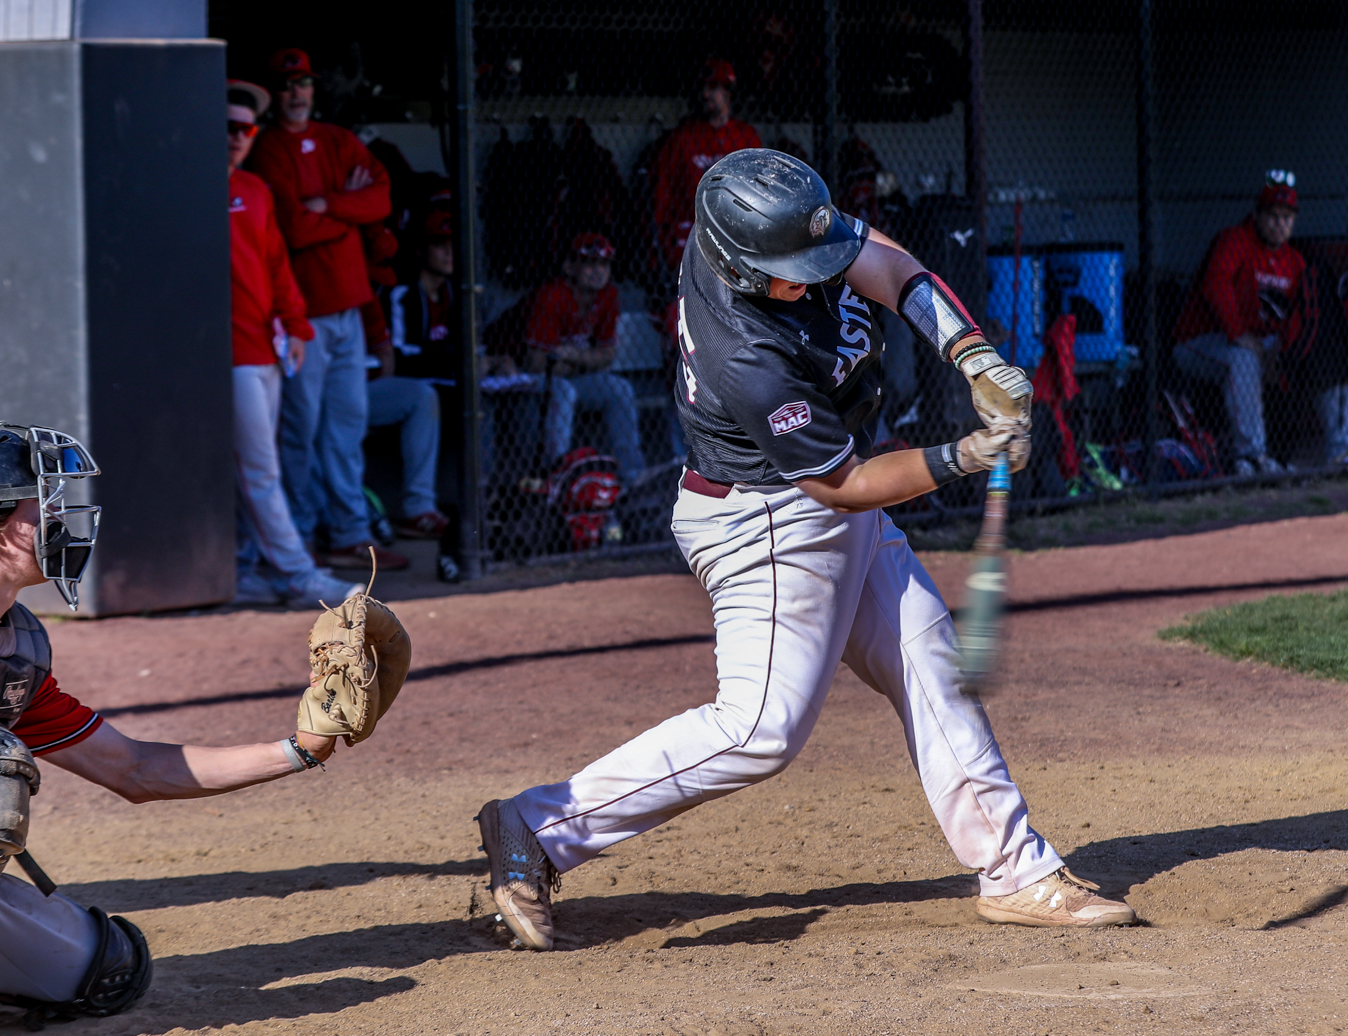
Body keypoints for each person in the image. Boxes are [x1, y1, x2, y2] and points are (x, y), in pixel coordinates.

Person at [476, 149, 1134, 952]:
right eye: (792, 271)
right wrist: (963, 456)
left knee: (927, 656)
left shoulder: (766, 220)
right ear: (740, 265)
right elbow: (845, 483)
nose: (813, 276)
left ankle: (1016, 871)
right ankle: (537, 828)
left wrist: (972, 355)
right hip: (771, 522)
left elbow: (889, 269)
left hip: (811, 498)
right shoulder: (745, 352)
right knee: (759, 729)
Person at [0, 425, 385, 1036]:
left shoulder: (4, 647)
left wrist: (301, 749)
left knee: (108, 971)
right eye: (41, 503)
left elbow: (134, 768)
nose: (60, 517)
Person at [245, 48, 408, 572]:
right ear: (276, 97)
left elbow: (381, 200)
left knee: (345, 425)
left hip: (349, 309)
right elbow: (292, 228)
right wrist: (348, 211)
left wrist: (330, 205)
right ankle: (303, 530)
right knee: (300, 429)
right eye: (288, 85)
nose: (298, 93)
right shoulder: (268, 148)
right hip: (305, 314)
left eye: (305, 83)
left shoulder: (339, 140)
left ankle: (349, 532)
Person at [226, 79, 365, 608]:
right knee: (258, 468)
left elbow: (277, 267)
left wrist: (298, 325)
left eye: (245, 128)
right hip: (229, 356)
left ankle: (243, 570)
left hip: (268, 349)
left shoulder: (256, 191)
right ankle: (299, 573)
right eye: (227, 127)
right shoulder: (187, 187)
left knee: (256, 467)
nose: (237, 137)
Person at [1173, 171, 1348, 473]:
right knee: (1242, 359)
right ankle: (1252, 456)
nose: (1280, 224)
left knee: (1321, 355)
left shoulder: (1295, 261)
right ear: (1257, 215)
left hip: (1260, 344)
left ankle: (1344, 447)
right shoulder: (1234, 240)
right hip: (1201, 342)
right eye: (1272, 216)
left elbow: (1300, 320)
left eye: (1287, 217)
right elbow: (1215, 286)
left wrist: (1285, 351)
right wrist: (1239, 333)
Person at [524, 233, 646, 485]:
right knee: (564, 391)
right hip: (521, 375)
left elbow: (607, 357)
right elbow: (535, 363)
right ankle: (557, 478)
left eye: (604, 264)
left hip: (568, 375)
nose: (598, 271)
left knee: (620, 389)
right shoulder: (552, 295)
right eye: (590, 264)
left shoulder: (607, 295)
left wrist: (570, 356)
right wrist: (584, 360)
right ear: (570, 266)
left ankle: (634, 476)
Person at [650, 60, 763, 271]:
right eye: (702, 87)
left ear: (728, 91)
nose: (705, 94)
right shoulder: (681, 139)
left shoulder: (746, 137)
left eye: (713, 87)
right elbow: (662, 199)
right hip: (692, 230)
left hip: (737, 230)